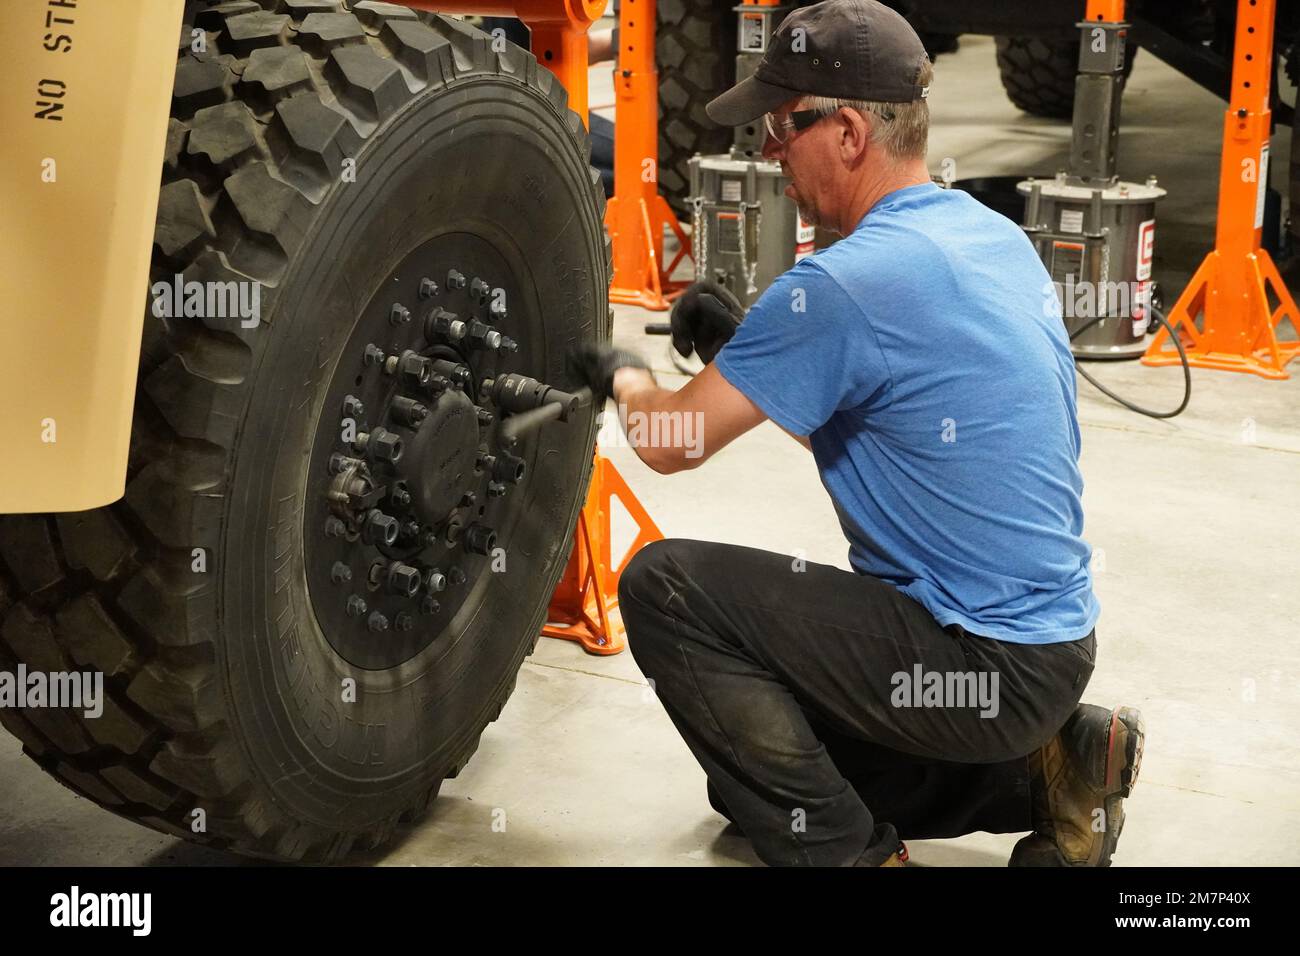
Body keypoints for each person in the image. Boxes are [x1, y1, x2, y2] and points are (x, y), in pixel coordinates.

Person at [566, 0, 1143, 867]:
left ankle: (856, 859)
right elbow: (895, 424)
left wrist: (622, 374)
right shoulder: (993, 238)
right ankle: (1058, 767)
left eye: (779, 126)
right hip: (1053, 652)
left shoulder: (843, 283)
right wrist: (740, 353)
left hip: (973, 661)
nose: (768, 150)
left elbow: (673, 439)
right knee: (747, 781)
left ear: (845, 131)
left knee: (665, 586)